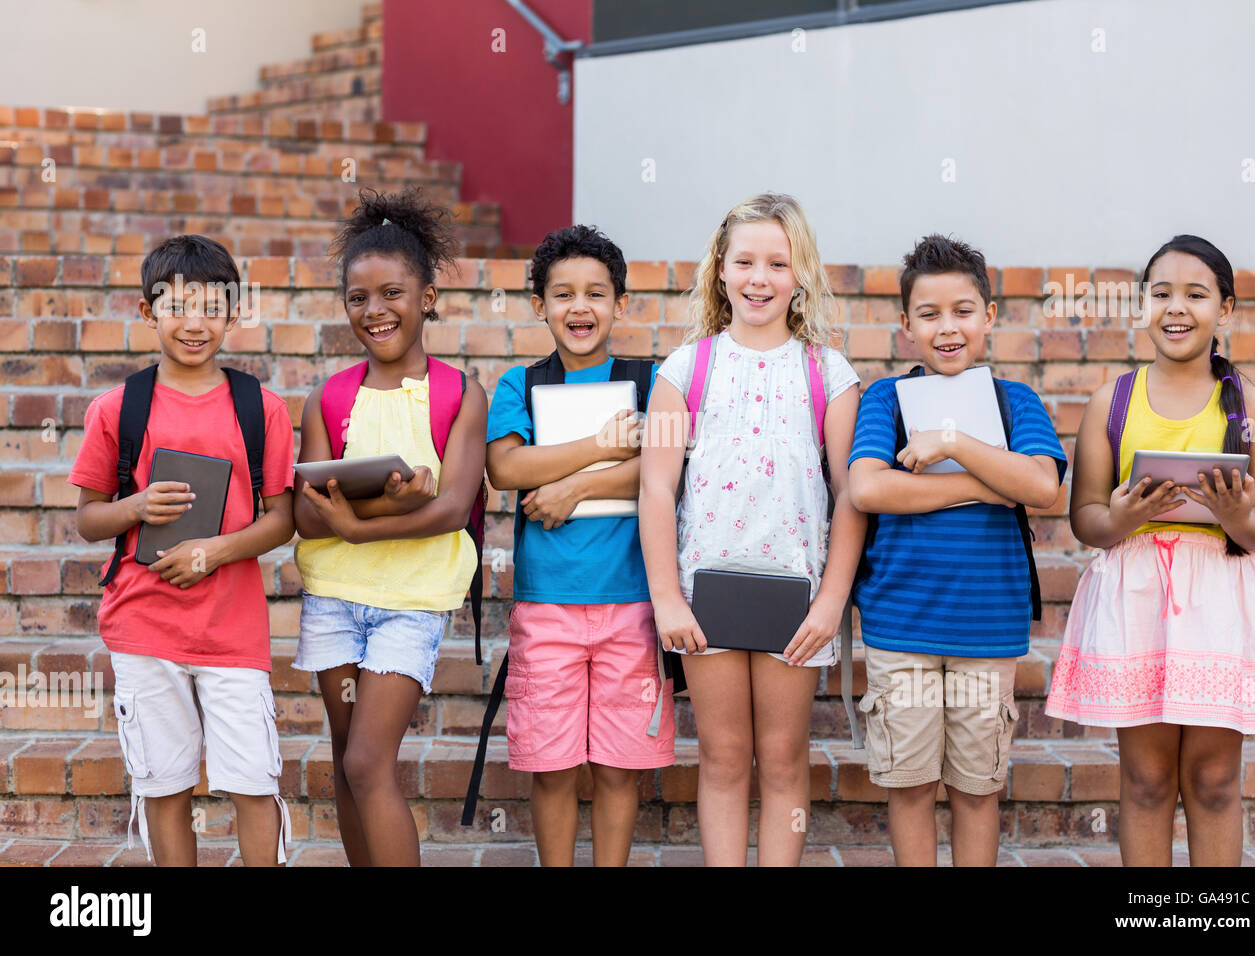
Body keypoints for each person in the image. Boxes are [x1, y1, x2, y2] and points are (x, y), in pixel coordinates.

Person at [1045, 235, 1255, 866]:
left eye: (1195, 294)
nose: (1175, 308)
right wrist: (1123, 515)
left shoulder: (1254, 405)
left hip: (1220, 597)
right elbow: (1087, 520)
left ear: (1225, 310)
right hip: (1139, 598)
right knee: (1147, 782)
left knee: (1212, 782)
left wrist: (1236, 514)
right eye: (1160, 294)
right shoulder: (1112, 402)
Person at [640, 193, 864, 866]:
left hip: (795, 602)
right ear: (720, 269)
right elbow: (655, 487)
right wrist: (666, 598)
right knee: (724, 755)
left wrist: (830, 601)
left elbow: (851, 494)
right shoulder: (684, 371)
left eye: (777, 262)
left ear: (800, 276)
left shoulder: (830, 374)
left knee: (784, 760)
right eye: (745, 261)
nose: (759, 278)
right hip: (704, 600)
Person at [70, 234, 296, 865]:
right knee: (164, 787)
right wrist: (137, 508)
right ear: (149, 312)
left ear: (233, 313)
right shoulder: (119, 408)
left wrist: (215, 552)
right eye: (176, 306)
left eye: (211, 306)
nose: (194, 323)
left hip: (232, 631)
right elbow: (88, 520)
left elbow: (283, 520)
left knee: (253, 784)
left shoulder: (261, 408)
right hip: (144, 624)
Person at [848, 234, 1066, 866]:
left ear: (990, 317)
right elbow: (867, 487)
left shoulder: (1013, 401)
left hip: (987, 629)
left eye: (964, 310)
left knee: (977, 788)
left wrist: (954, 445)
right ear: (905, 326)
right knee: (910, 785)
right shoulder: (886, 400)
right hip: (901, 626)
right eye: (930, 314)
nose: (948, 327)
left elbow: (1043, 485)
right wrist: (985, 485)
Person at [293, 187, 486, 866]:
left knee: (371, 759)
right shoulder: (330, 396)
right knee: (349, 761)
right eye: (357, 298)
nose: (374, 310)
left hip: (410, 601)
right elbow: (306, 516)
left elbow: (453, 508)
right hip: (334, 597)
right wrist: (394, 507)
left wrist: (358, 524)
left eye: (392, 293)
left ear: (428, 296)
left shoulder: (460, 393)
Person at [484, 224, 672, 866]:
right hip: (549, 608)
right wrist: (605, 447)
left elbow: (667, 466)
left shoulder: (651, 380)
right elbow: (507, 470)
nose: (580, 307)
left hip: (633, 604)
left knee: (621, 767)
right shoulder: (522, 385)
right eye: (563, 294)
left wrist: (570, 488)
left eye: (596, 293)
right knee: (554, 766)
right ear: (540, 306)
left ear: (620, 302)